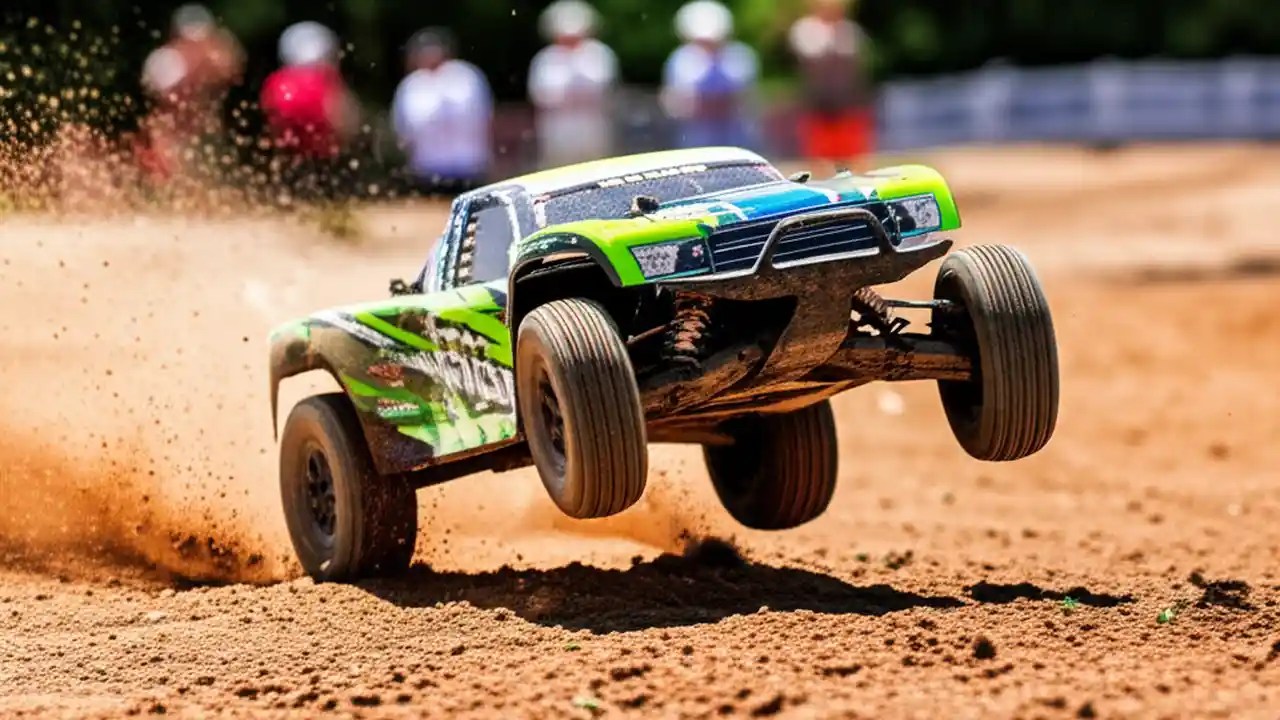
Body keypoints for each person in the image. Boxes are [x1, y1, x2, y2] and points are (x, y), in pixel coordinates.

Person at [137, 4, 244, 180]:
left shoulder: (215, 60)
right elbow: (165, 100)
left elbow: (232, 69)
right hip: (172, 138)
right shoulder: (166, 59)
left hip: (203, 136)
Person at [259, 21, 358, 200]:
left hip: (289, 160)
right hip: (327, 160)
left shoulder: (276, 83)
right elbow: (343, 120)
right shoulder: (326, 80)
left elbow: (271, 123)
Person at [390, 28, 494, 194]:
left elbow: (485, 118)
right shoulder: (410, 86)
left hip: (469, 166)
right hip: (428, 170)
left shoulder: (467, 77)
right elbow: (403, 131)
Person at [527, 0, 619, 167]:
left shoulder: (599, 53)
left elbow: (604, 89)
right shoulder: (545, 59)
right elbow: (541, 96)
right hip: (558, 128)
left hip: (592, 126)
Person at [660, 0, 760, 150]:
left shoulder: (740, 57)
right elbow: (676, 104)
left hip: (736, 138)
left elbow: (745, 100)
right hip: (695, 138)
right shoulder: (681, 59)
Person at [787, 0, 875, 166]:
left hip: (848, 101)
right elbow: (813, 56)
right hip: (819, 103)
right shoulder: (805, 29)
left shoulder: (850, 30)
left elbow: (856, 62)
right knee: (821, 160)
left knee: (855, 158)